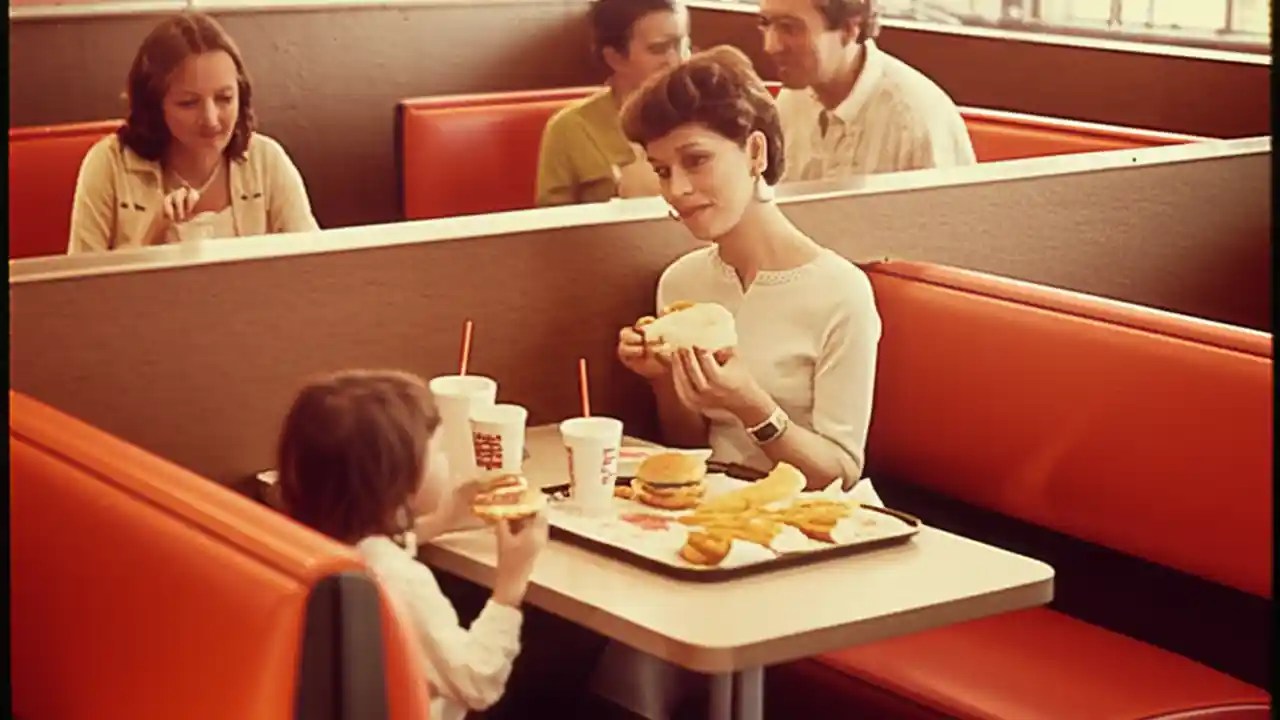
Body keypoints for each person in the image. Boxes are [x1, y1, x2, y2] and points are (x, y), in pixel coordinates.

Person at [611, 45, 882, 719]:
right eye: (662, 170)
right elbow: (692, 442)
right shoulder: (682, 282)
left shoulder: (841, 294)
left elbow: (842, 475)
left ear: (756, 153)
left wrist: (755, 406)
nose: (676, 191)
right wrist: (662, 383)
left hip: (809, 539)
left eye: (697, 161)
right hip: (705, 526)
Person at [275, 370, 549, 720]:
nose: (447, 462)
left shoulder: (310, 539)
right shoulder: (398, 578)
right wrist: (511, 582)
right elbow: (477, 683)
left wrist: (438, 523)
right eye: (439, 452)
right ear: (397, 477)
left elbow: (368, 553)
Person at [68, 12, 319, 254]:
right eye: (188, 103)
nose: (210, 119)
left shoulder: (266, 160)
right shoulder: (108, 165)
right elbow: (79, 292)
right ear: (155, 104)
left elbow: (316, 270)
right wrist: (151, 237)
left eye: (224, 98)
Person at [759, 0, 976, 180]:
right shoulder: (790, 101)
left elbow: (950, 226)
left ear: (849, 29)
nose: (770, 46)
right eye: (765, 23)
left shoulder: (915, 120)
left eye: (790, 28)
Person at [534, 0, 689, 207]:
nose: (675, 61)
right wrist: (622, 200)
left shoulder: (707, 113)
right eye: (658, 49)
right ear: (615, 58)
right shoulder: (570, 128)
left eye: (681, 45)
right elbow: (552, 228)